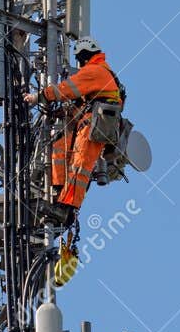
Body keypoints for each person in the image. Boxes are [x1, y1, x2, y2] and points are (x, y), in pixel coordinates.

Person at [23, 36, 122, 217]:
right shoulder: (102, 73)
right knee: (61, 147)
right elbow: (86, 104)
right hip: (92, 123)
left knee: (79, 166)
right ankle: (60, 193)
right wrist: (63, 113)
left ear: (84, 55)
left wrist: (39, 96)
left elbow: (66, 89)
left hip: (93, 127)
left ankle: (67, 209)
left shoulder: (94, 71)